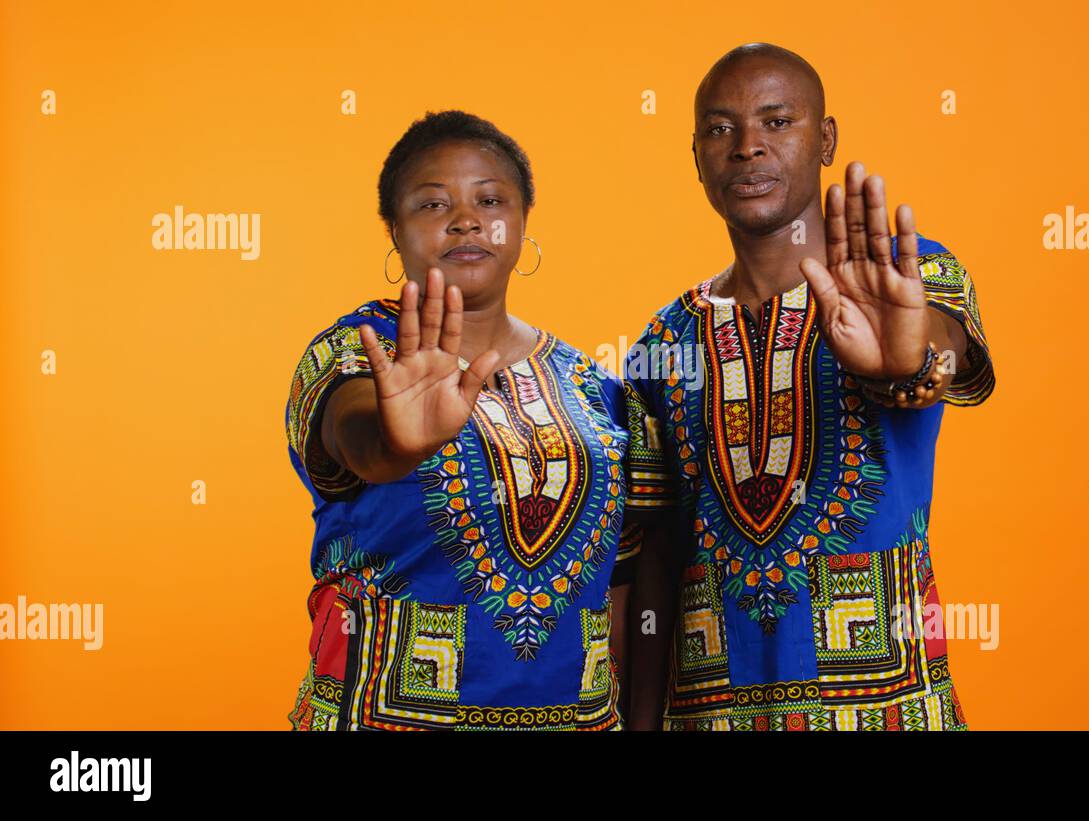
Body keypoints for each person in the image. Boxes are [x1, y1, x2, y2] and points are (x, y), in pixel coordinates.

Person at [624, 43, 996, 731]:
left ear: (825, 139)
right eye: (720, 128)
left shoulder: (903, 279)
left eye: (776, 121)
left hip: (885, 709)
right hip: (712, 714)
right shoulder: (664, 342)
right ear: (697, 155)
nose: (746, 147)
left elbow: (938, 357)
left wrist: (910, 365)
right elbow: (659, 554)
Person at [284, 110, 641, 730]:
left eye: (491, 199)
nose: (466, 219)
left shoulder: (597, 389)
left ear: (524, 220)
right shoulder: (354, 353)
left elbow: (625, 582)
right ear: (393, 230)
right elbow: (359, 438)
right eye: (431, 204)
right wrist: (396, 443)